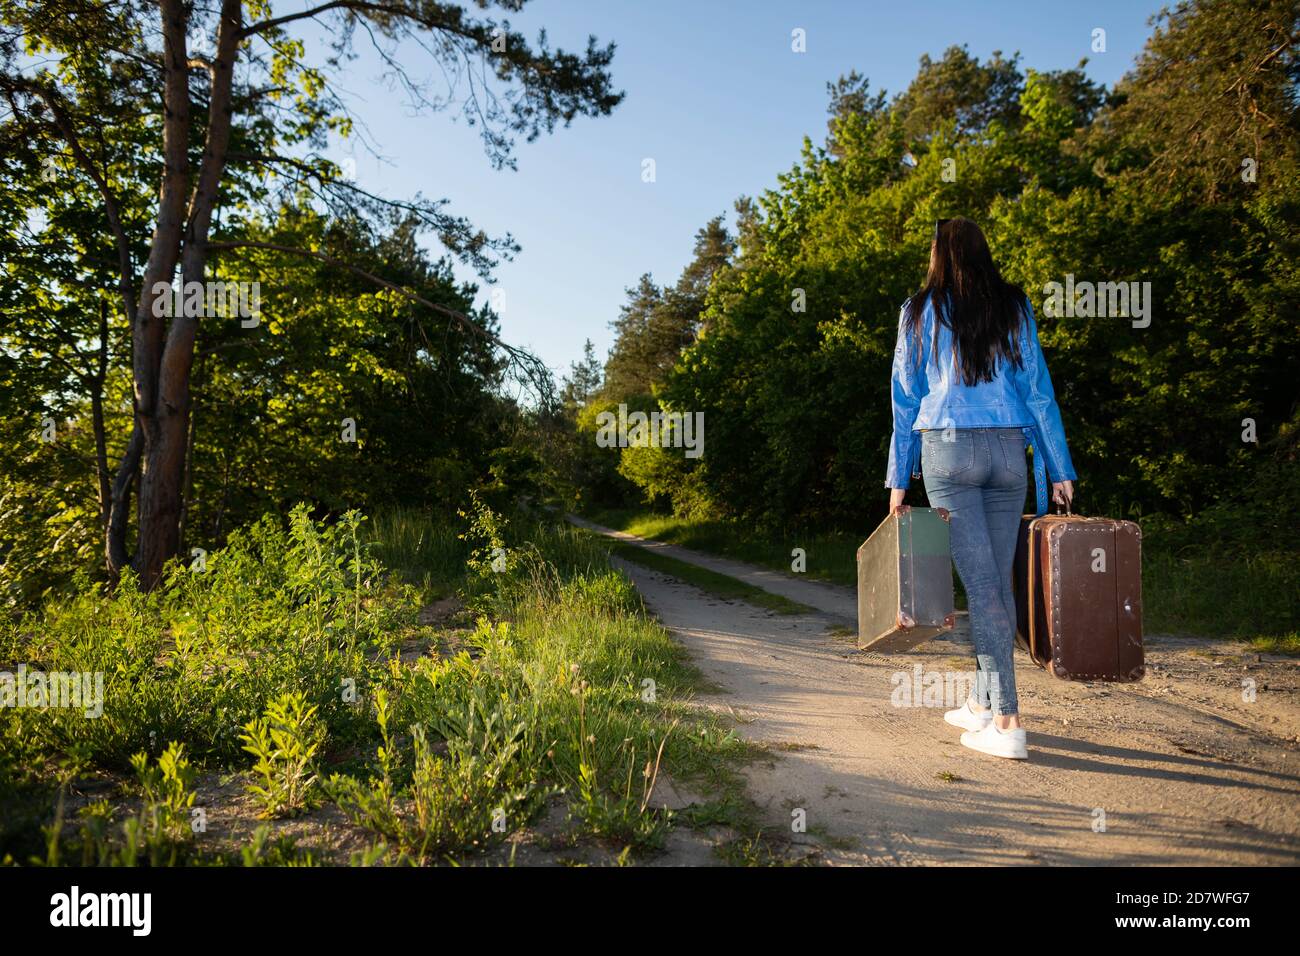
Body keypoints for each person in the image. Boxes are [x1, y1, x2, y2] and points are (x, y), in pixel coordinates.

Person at [885, 217, 1076, 760]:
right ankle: (980, 702)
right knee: (994, 581)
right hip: (1008, 454)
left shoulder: (919, 311)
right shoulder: (1012, 306)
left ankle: (1009, 722)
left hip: (949, 453)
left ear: (938, 255)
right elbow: (1037, 391)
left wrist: (899, 477)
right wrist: (1060, 467)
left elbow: (905, 399)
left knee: (985, 587)